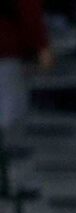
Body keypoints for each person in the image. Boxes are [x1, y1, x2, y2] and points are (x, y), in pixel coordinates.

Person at [0, 0, 51, 131]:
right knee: (11, 116)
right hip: (7, 55)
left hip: (8, 54)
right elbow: (30, 14)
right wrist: (42, 47)